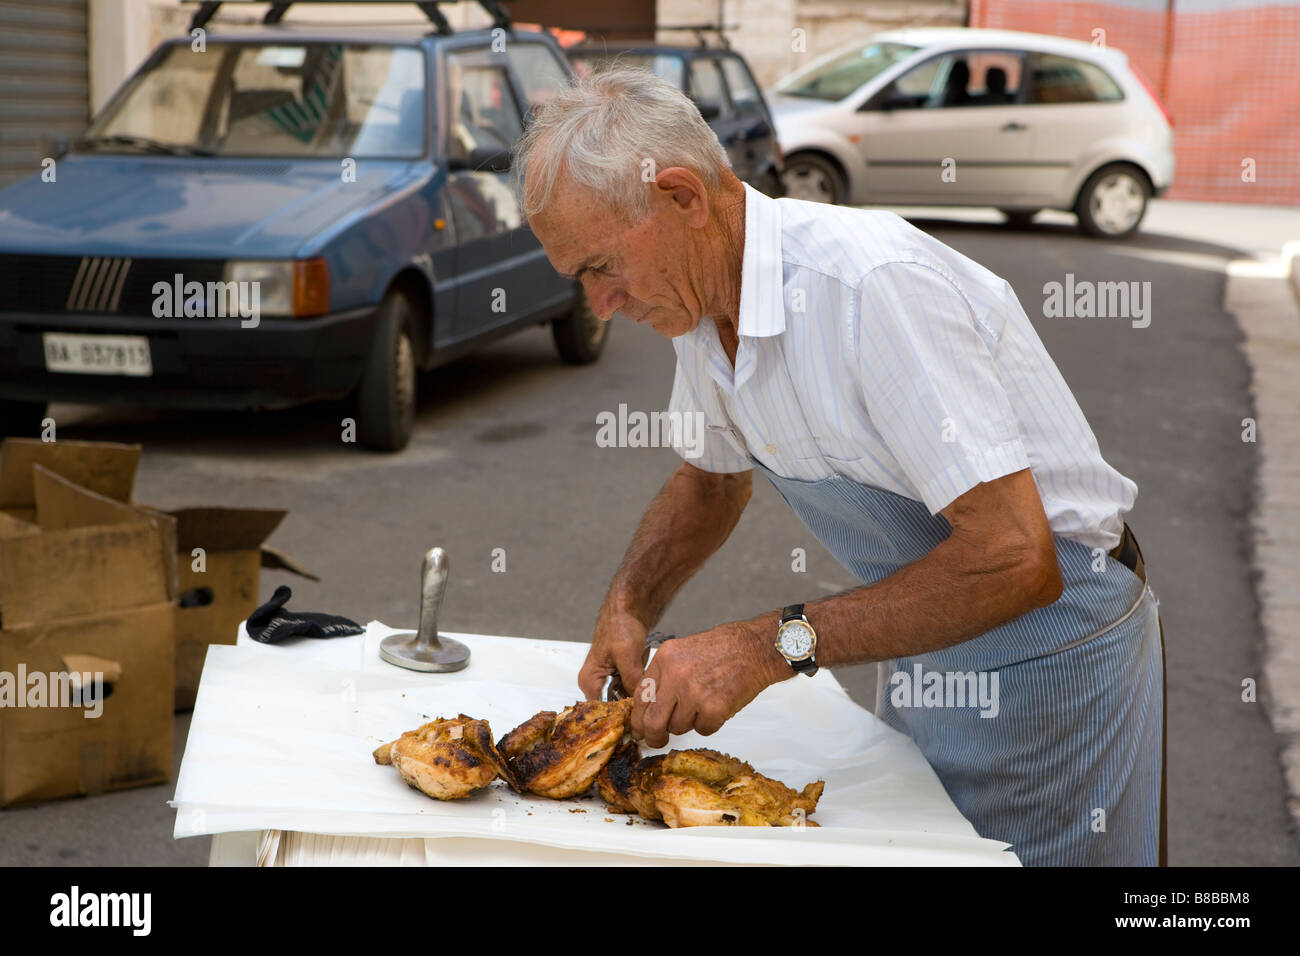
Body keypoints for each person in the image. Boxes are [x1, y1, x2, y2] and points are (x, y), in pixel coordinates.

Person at [515, 68, 1165, 866]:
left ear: (682, 198)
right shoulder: (697, 303)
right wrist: (628, 606)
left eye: (600, 267)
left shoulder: (871, 290)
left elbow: (1016, 559)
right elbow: (713, 479)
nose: (600, 307)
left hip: (1051, 658)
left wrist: (765, 647)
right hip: (933, 642)